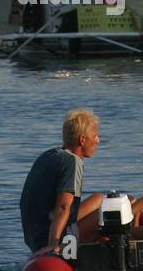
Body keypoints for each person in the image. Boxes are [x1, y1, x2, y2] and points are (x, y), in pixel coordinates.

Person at [20, 109, 104, 256]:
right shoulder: (72, 162)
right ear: (82, 140)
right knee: (121, 207)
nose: (98, 140)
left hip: (34, 235)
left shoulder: (50, 155)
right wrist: (53, 244)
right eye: (95, 136)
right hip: (50, 238)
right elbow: (63, 206)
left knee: (99, 198)